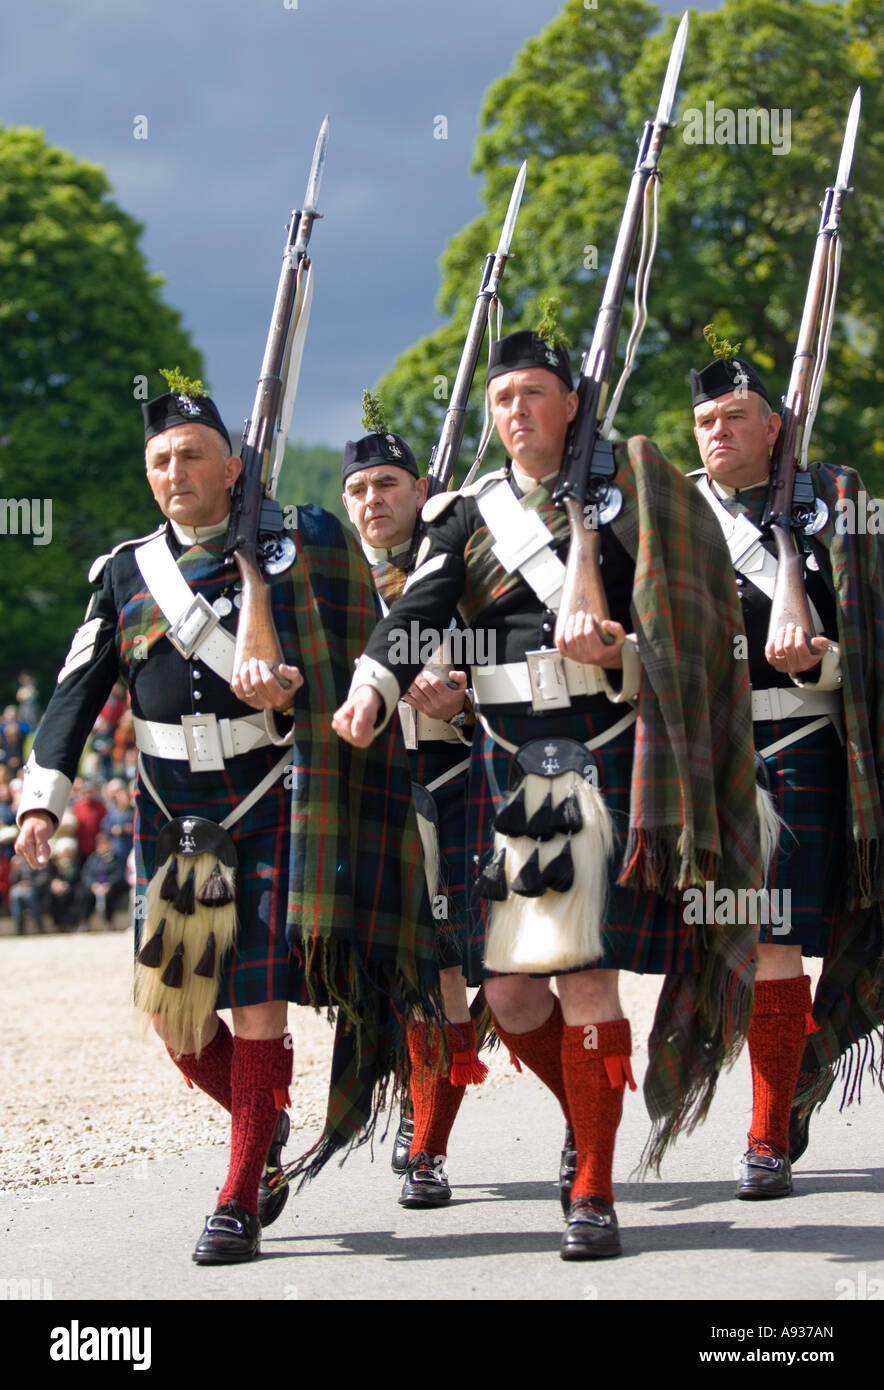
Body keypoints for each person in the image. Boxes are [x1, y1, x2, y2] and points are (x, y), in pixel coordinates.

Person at [333, 329, 761, 1260]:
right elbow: (421, 609)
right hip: (510, 762)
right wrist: (373, 680)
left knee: (585, 976)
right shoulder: (471, 513)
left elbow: (696, 630)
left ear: (571, 402)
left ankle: (594, 1190)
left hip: (605, 751)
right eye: (502, 400)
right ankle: (587, 1107)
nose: (516, 411)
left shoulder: (642, 493)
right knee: (514, 995)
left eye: (532, 393)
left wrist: (624, 653)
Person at [15, 385, 436, 1264]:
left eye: (192, 455)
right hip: (178, 820)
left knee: (254, 1004)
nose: (176, 472)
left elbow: (348, 655)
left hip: (274, 799)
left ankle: (239, 1195)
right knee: (177, 1021)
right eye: (161, 460)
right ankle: (267, 1124)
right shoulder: (126, 572)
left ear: (233, 466)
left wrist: (292, 697)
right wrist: (42, 799)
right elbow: (75, 691)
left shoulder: (301, 548)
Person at [690, 352, 884, 1196]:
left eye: (736, 417)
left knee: (774, 945)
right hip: (705, 759)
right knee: (725, 950)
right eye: (706, 423)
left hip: (804, 746)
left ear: (776, 426)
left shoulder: (841, 508)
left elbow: (873, 639)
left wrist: (824, 663)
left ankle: (767, 1131)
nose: (719, 433)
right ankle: (784, 1084)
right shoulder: (674, 514)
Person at [341, 425, 485, 1208]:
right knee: (391, 975)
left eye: (388, 485)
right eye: (359, 490)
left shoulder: (465, 569)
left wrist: (460, 706)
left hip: (461, 780)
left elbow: (513, 676)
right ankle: (408, 1097)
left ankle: (428, 1143)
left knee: (455, 971)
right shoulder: (331, 584)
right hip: (375, 795)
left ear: (420, 492)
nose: (374, 502)